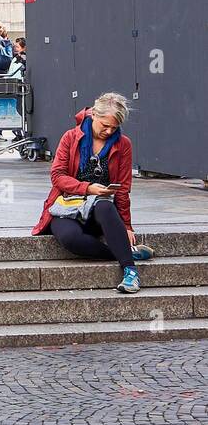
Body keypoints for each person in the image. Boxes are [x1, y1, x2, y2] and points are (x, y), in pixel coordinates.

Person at [33, 94, 152, 294]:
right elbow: (57, 176)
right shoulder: (71, 137)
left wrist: (126, 226)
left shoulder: (123, 144)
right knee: (70, 239)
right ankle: (126, 253)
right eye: (105, 125)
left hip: (100, 209)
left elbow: (122, 189)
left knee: (104, 204)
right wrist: (87, 188)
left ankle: (130, 271)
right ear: (94, 115)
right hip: (67, 205)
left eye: (114, 128)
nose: (109, 131)